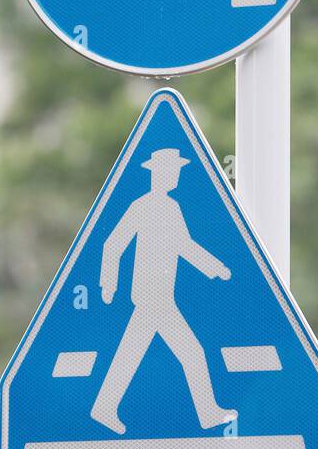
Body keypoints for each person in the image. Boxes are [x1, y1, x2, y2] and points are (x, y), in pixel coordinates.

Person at [91, 146, 237, 434]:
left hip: (161, 296)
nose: (176, 176)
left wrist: (215, 267)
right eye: (172, 171)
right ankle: (207, 414)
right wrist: (109, 284)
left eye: (178, 171)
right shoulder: (142, 206)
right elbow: (113, 243)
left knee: (135, 353)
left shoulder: (172, 207)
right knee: (191, 353)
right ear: (158, 173)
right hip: (150, 296)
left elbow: (184, 245)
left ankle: (104, 408)